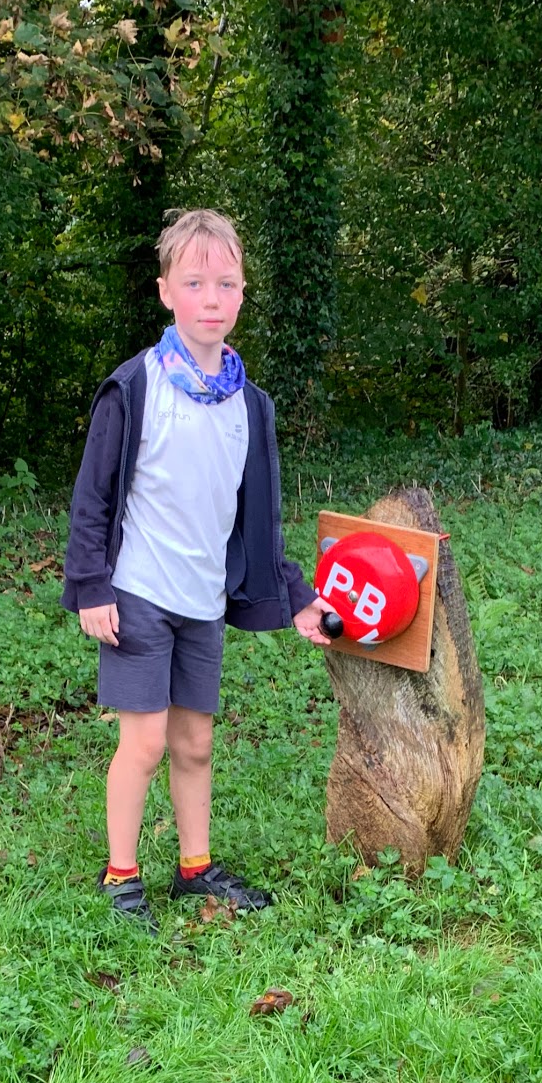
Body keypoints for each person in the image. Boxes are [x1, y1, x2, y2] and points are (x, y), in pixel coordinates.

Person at [62, 208, 333, 931]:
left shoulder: (249, 406)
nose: (212, 298)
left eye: (226, 284)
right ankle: (121, 876)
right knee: (144, 741)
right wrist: (91, 585)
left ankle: (192, 869)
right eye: (195, 283)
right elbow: (91, 498)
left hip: (202, 602)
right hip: (138, 596)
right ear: (165, 293)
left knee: (195, 741)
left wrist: (297, 595)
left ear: (242, 295)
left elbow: (254, 523)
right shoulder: (136, 389)